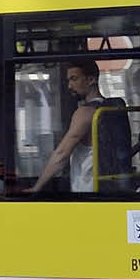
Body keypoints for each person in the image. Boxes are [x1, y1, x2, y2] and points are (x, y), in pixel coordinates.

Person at [28, 59, 103, 195]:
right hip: (104, 188)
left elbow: (61, 155)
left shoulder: (85, 112)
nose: (69, 86)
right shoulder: (108, 108)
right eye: (69, 80)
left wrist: (36, 188)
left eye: (74, 79)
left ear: (91, 79)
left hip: (86, 191)